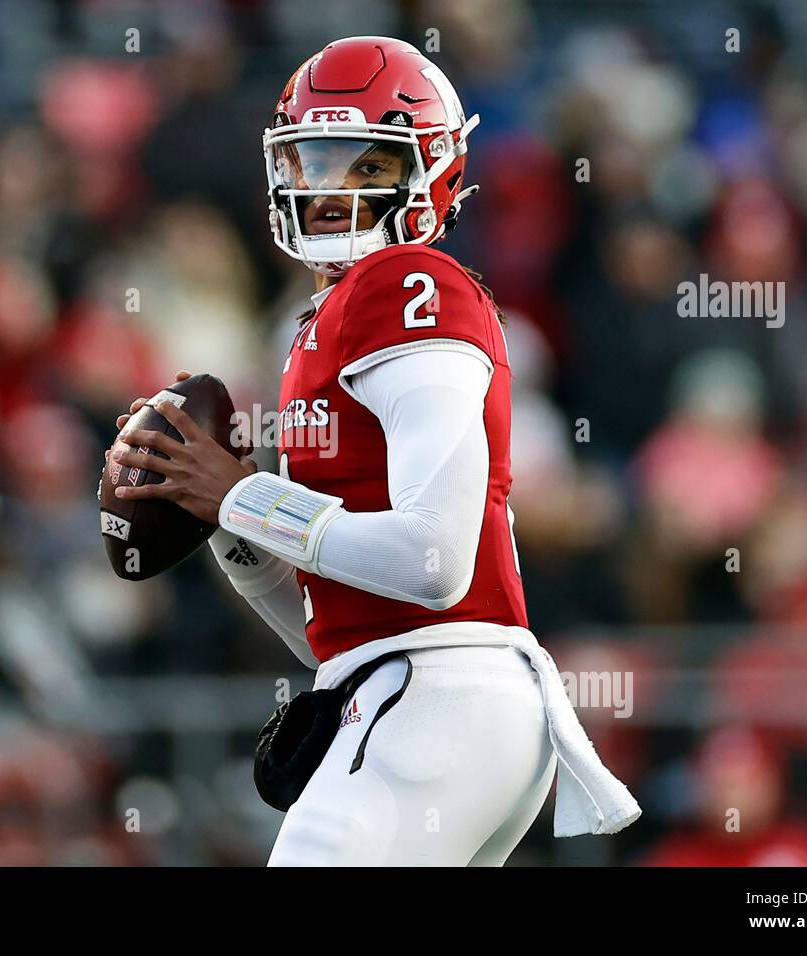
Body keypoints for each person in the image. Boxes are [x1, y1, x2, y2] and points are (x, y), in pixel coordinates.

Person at [110, 36, 639, 865]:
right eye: (312, 164)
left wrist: (239, 496)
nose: (328, 193)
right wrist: (218, 515)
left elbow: (432, 561)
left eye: (364, 166)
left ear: (432, 172)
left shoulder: (403, 287)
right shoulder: (327, 317)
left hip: (440, 696)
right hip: (414, 691)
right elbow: (334, 626)